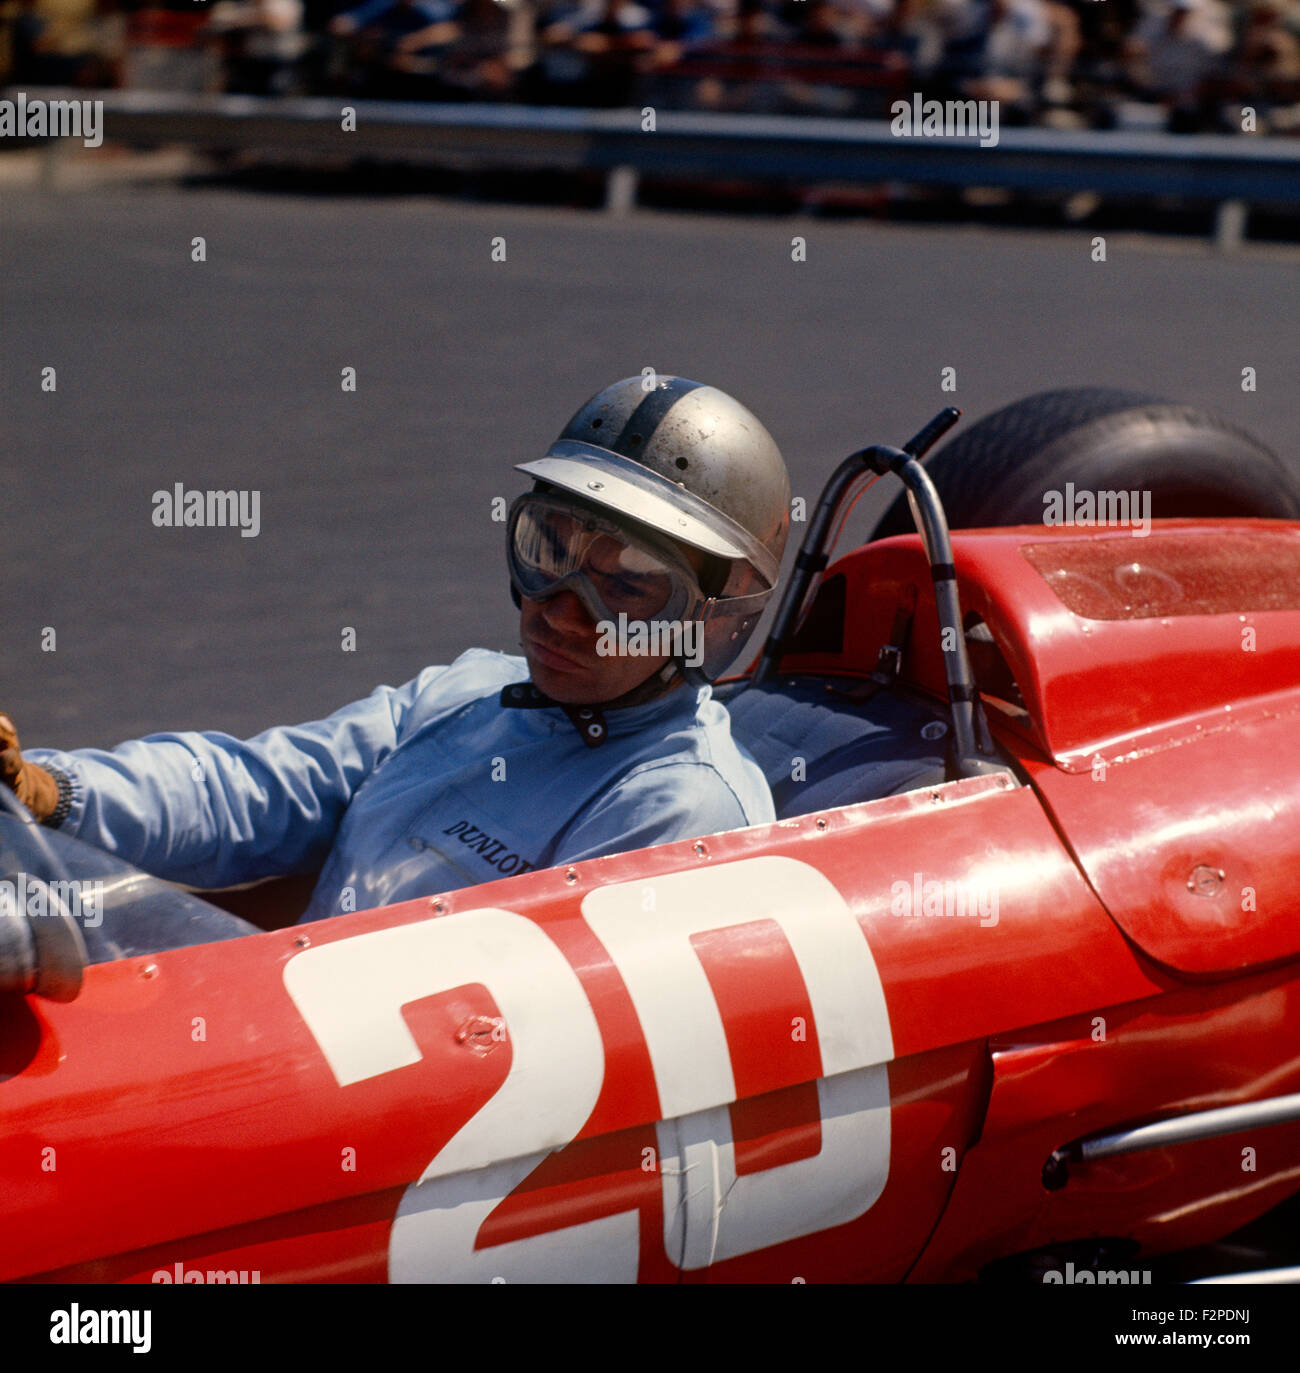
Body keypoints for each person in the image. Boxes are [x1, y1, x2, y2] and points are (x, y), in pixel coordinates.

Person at [1, 377, 790, 926]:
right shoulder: (466, 695)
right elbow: (252, 789)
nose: (562, 610)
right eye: (550, 549)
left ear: (709, 620)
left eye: (626, 586)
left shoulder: (683, 808)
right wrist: (56, 791)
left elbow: (530, 1018)